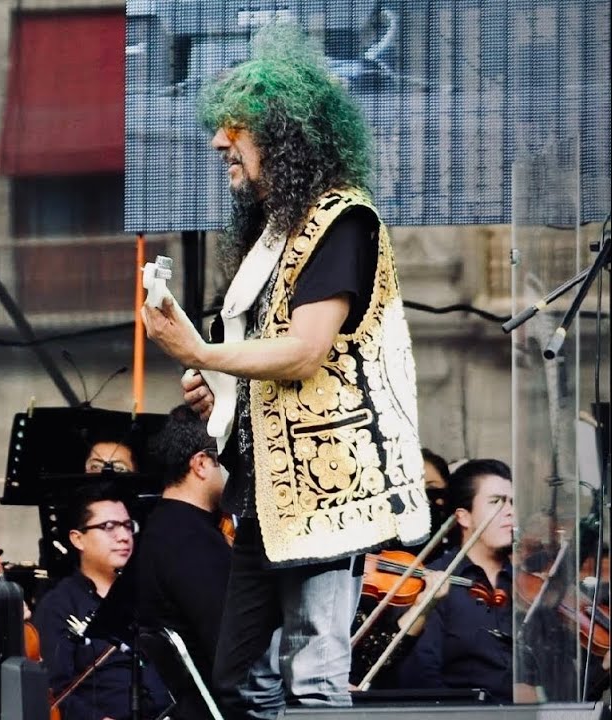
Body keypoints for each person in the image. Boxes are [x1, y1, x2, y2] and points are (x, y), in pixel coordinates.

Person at [142, 25, 428, 718]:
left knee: (313, 676)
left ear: (286, 137)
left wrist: (202, 354)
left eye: (236, 130)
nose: (219, 145)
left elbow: (305, 350)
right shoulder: (275, 236)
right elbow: (267, 362)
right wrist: (220, 388)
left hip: (328, 489)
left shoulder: (343, 221)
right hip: (267, 493)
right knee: (242, 676)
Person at [35, 483, 171, 720]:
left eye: (128, 526)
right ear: (78, 539)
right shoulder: (58, 605)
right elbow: (54, 691)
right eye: (109, 527)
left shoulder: (149, 595)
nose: (123, 537)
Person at [135, 404, 230, 717]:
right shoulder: (193, 540)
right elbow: (232, 650)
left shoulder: (161, 527)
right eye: (231, 459)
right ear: (202, 464)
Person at [396, 459, 517, 702]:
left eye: (513, 502)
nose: (510, 511)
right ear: (464, 517)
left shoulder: (526, 585)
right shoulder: (434, 581)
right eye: (496, 502)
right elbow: (420, 678)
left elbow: (563, 669)